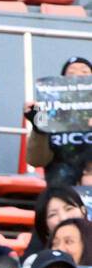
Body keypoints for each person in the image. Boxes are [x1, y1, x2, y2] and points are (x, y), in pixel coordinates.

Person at [26, 57, 92, 188]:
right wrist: (39, 126)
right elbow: (36, 161)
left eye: (85, 73)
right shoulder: (50, 114)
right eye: (71, 73)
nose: (78, 76)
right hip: (60, 193)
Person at [27, 185, 88, 256]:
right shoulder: (36, 259)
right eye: (53, 214)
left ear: (83, 211)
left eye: (69, 209)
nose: (63, 218)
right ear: (45, 225)